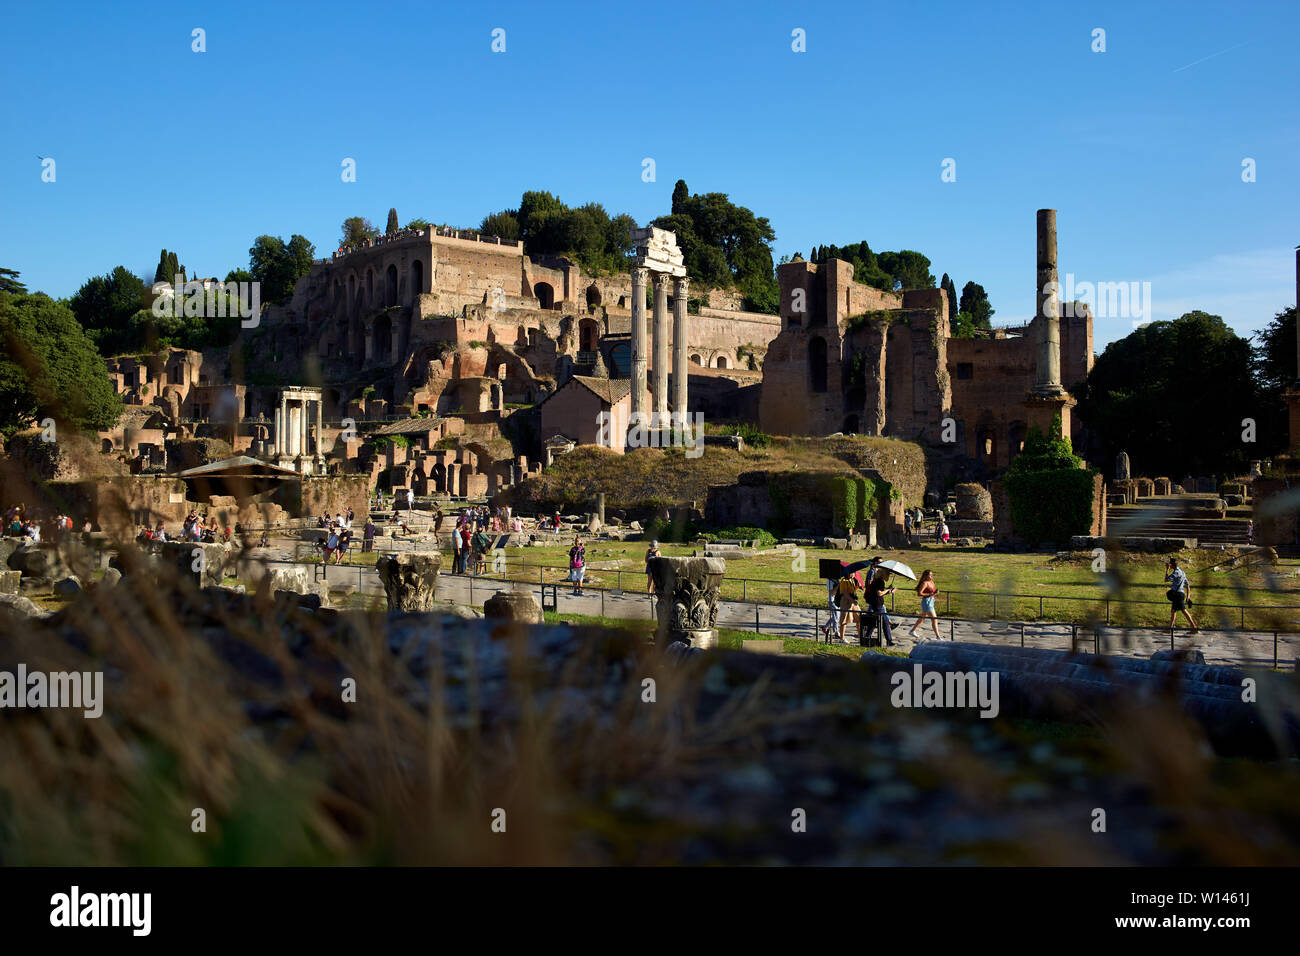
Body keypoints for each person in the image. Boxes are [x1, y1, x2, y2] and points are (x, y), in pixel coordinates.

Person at [1165, 557, 1200, 633]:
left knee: (1184, 611)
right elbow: (1187, 585)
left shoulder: (1176, 573)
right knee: (1173, 611)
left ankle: (1194, 628)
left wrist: (1167, 569)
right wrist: (1188, 597)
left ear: (1171, 565)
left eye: (1170, 564)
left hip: (1177, 595)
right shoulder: (1182, 572)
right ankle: (1170, 629)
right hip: (1181, 594)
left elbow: (1166, 579)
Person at [865, 569, 898, 647]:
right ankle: (889, 641)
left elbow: (879, 593)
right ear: (883, 575)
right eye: (888, 575)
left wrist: (888, 590)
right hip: (878, 605)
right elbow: (879, 593)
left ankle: (867, 637)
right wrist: (889, 590)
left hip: (875, 604)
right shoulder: (880, 581)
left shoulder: (877, 581)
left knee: (874, 622)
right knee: (885, 623)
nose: (889, 576)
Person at [908, 570, 942, 640]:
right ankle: (938, 637)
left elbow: (932, 592)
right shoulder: (924, 583)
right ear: (926, 576)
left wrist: (936, 592)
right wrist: (929, 594)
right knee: (934, 619)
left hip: (931, 601)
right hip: (926, 602)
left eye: (932, 575)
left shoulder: (931, 582)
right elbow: (919, 593)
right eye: (930, 575)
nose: (931, 576)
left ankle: (912, 631)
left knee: (922, 618)